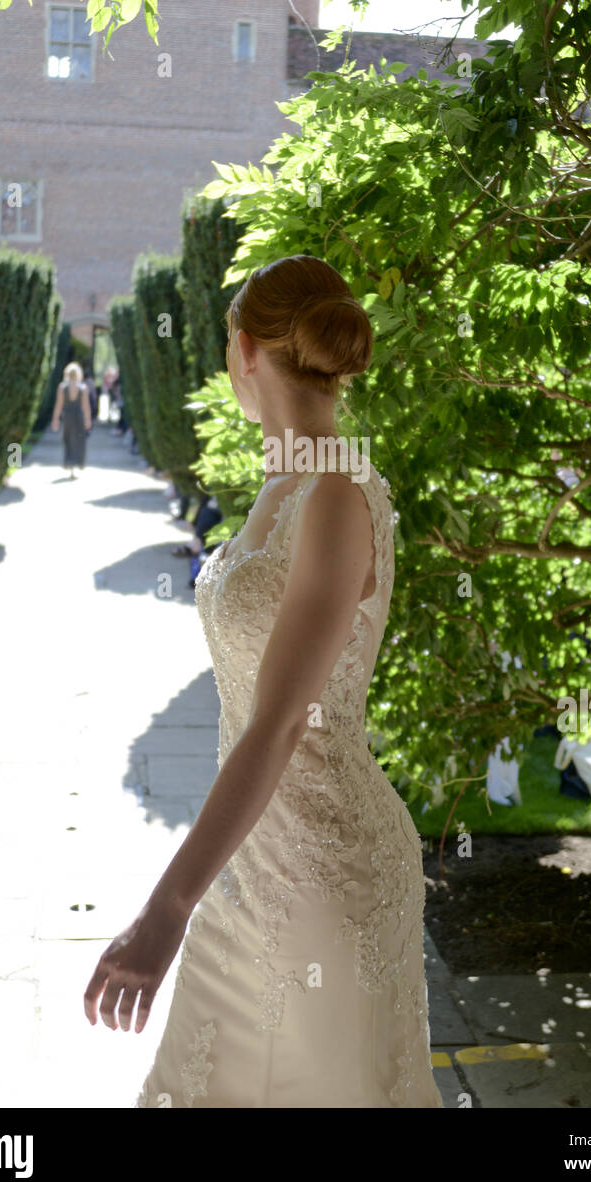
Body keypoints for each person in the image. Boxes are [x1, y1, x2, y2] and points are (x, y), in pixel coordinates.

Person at [83, 254, 443, 1109]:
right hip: (247, 869)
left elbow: (279, 724)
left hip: (326, 877)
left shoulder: (335, 495)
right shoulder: (283, 486)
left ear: (242, 350)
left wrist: (163, 910)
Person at [51, 362, 92, 478]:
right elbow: (86, 407)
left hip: (67, 417)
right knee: (79, 440)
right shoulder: (82, 388)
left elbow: (58, 405)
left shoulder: (62, 387)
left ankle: (69, 463)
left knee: (68, 439)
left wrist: (55, 420)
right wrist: (88, 420)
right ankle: (77, 463)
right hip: (78, 416)